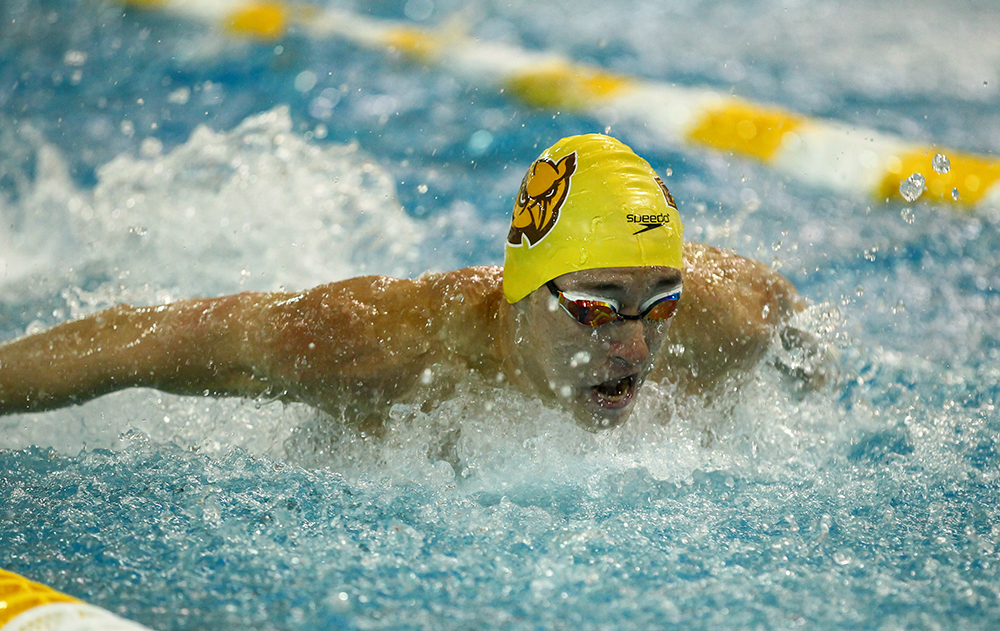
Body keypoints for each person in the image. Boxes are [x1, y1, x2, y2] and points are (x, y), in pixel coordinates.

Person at [0, 134, 805, 432]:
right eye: (595, 308)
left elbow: (795, 327)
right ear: (523, 290)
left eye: (658, 302)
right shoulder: (381, 344)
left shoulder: (723, 318)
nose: (633, 344)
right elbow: (143, 341)